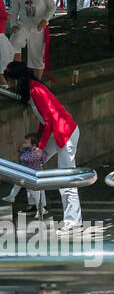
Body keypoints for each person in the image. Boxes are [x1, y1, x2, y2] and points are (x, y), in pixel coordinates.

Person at [2, 62, 80, 231]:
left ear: (17, 80)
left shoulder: (36, 91)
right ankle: (39, 205)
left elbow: (49, 121)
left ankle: (73, 219)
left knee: (66, 176)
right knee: (33, 167)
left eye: (10, 81)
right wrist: (38, 144)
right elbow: (46, 121)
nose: (9, 84)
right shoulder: (33, 90)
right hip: (58, 131)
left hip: (64, 132)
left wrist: (39, 147)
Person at [10, 0, 54, 80]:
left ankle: (37, 82)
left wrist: (45, 19)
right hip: (24, 24)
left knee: (37, 55)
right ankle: (18, 73)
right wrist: (13, 24)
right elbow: (13, 12)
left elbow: (52, 7)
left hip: (38, 26)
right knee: (14, 42)